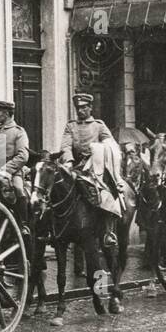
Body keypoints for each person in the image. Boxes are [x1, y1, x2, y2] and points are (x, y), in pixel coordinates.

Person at [59, 92, 127, 247]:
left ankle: (109, 231)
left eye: (83, 107)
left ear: (90, 108)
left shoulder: (99, 125)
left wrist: (97, 149)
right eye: (78, 108)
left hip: (95, 170)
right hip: (75, 168)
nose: (80, 110)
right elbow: (65, 145)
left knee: (106, 194)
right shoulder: (71, 126)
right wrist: (68, 161)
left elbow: (111, 145)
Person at [0, 99, 30, 217]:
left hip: (13, 172)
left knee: (18, 189)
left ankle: (23, 225)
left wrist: (5, 169)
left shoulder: (18, 132)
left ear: (6, 113)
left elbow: (23, 156)